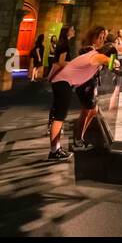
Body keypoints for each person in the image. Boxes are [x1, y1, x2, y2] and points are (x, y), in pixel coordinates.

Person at [46, 25, 77, 161]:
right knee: (59, 116)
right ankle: (54, 150)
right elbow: (61, 62)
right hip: (62, 80)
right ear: (67, 32)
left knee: (58, 114)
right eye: (72, 29)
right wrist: (74, 64)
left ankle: (56, 148)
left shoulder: (62, 44)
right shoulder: (64, 46)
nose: (74, 31)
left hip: (59, 80)